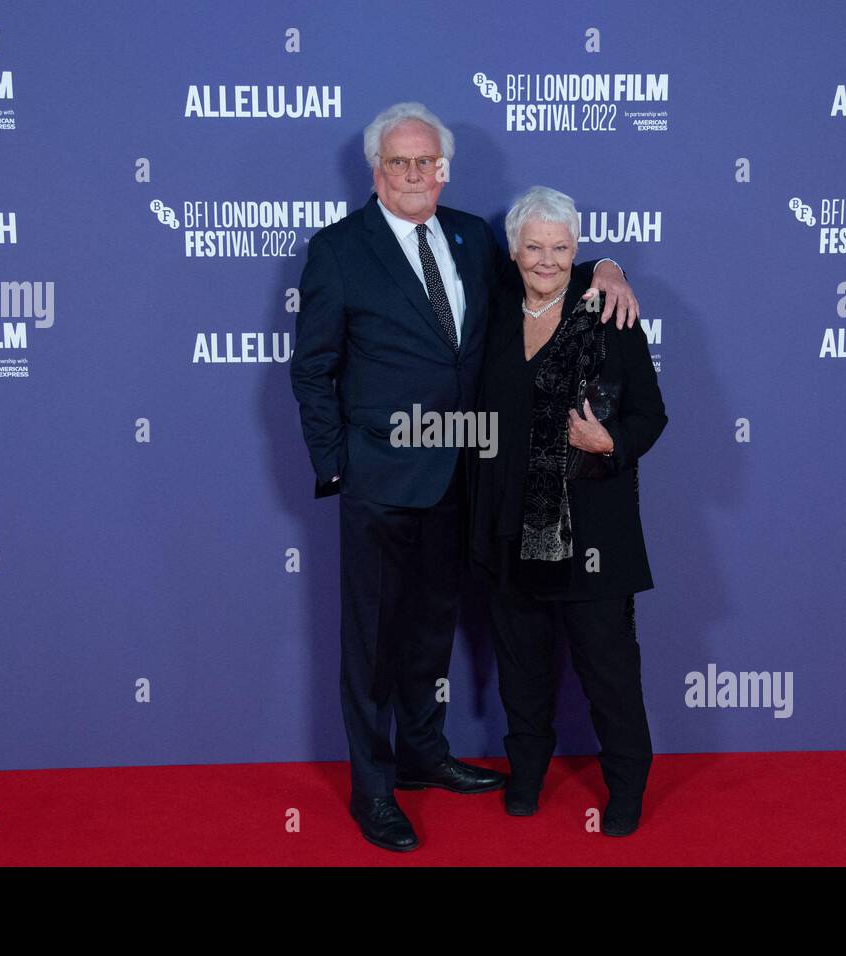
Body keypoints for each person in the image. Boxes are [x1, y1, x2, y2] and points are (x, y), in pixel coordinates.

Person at [290, 103, 639, 852]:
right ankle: (374, 788)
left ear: (442, 170)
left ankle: (423, 753)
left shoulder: (472, 236)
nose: (414, 174)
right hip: (380, 478)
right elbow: (312, 370)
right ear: (374, 171)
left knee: (429, 630)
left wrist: (603, 266)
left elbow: (538, 277)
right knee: (373, 643)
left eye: (426, 163)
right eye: (398, 163)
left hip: (463, 475)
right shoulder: (338, 251)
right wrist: (336, 467)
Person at [470, 186, 668, 837]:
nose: (546, 259)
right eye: (534, 246)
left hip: (593, 533)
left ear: (576, 251)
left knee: (609, 673)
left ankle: (627, 788)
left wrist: (610, 443)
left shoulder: (608, 313)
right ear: (514, 250)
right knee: (522, 671)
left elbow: (651, 414)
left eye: (560, 247)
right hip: (509, 531)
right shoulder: (494, 310)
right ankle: (525, 775)